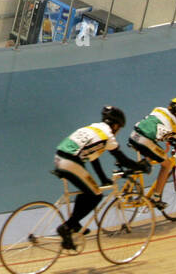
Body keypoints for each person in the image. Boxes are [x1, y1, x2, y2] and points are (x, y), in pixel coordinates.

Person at [53, 106, 142, 251]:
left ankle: (74, 224)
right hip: (71, 162)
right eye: (119, 128)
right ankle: (67, 227)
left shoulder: (93, 128)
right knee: (96, 196)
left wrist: (103, 179)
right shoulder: (108, 136)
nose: (118, 131)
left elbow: (94, 158)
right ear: (115, 125)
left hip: (60, 157)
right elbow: (122, 159)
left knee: (87, 190)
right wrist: (140, 166)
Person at [126, 98, 176, 209]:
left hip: (134, 135)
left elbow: (156, 126)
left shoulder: (158, 109)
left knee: (150, 156)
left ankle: (127, 188)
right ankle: (156, 198)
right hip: (146, 141)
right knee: (167, 164)